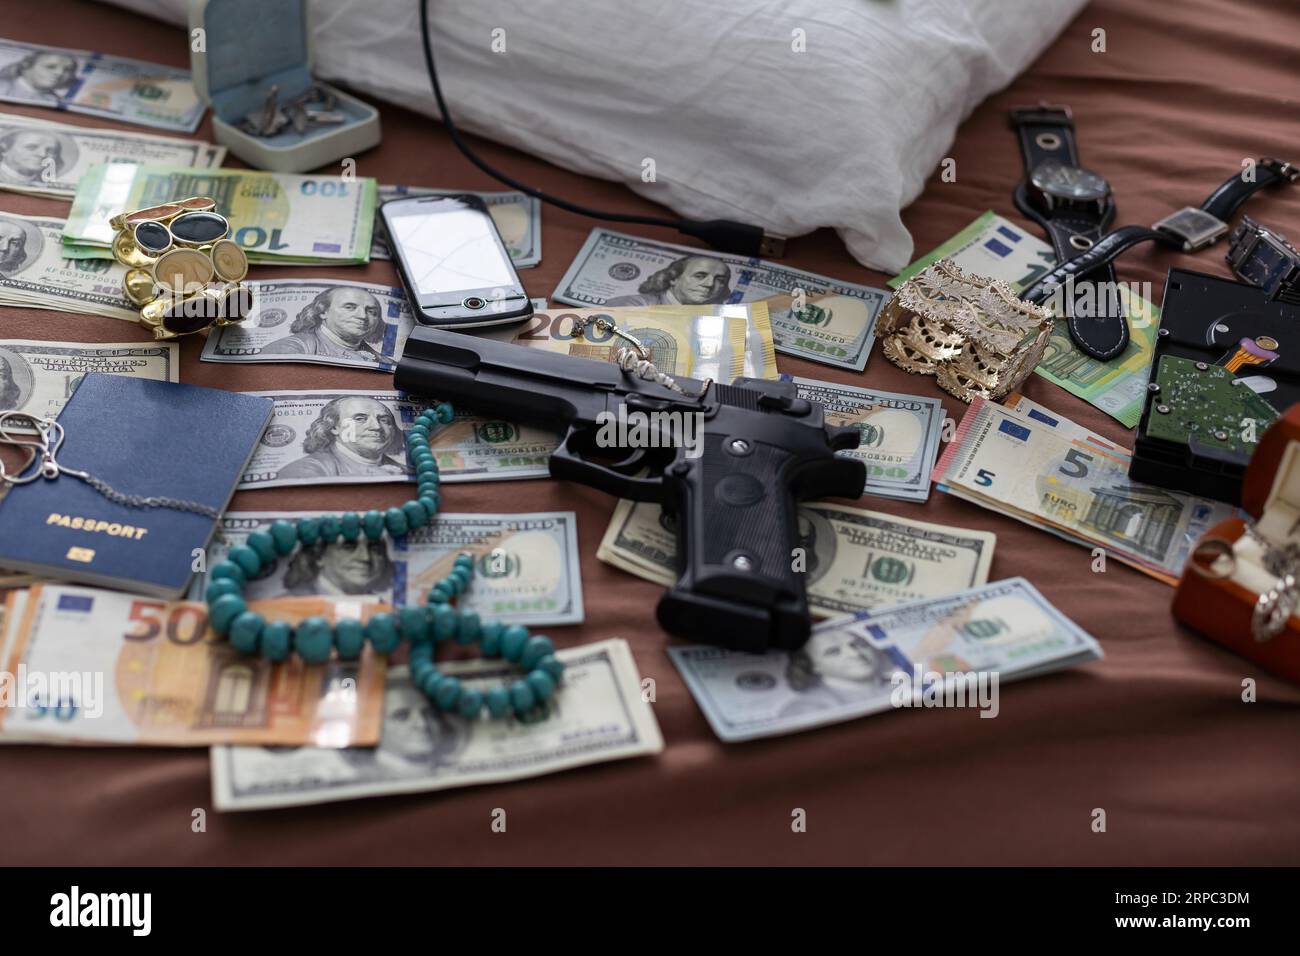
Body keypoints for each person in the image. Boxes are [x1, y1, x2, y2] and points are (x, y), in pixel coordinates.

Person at [278, 396, 407, 480]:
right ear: (334, 427)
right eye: (360, 419)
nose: (377, 426)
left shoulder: (405, 470)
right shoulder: (305, 471)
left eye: (384, 420)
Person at [260, 286, 388, 362]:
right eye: (349, 307)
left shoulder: (385, 362)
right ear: (323, 312)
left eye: (371, 311)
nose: (363, 316)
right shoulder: (290, 348)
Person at [283, 536, 394, 598]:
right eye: (348, 547)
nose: (365, 557)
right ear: (319, 556)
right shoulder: (287, 604)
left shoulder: (387, 608)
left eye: (374, 549)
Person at [605, 254, 733, 307]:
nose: (709, 284)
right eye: (699, 276)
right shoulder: (630, 305)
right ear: (674, 278)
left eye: (720, 280)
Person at [0, 51, 78, 105]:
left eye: (68, 70)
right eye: (50, 67)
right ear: (26, 65)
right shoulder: (3, 87)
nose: (59, 73)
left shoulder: (55, 100)